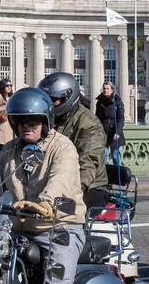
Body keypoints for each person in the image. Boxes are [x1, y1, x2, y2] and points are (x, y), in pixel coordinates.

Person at [0, 86, 86, 284]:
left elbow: (61, 178)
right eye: (21, 121)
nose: (27, 127)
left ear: (46, 121)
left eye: (33, 121)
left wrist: (46, 202)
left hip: (60, 226)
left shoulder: (63, 148)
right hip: (21, 227)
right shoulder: (9, 150)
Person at [39, 71, 108, 205]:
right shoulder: (46, 120)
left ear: (68, 97)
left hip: (89, 187)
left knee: (60, 216)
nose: (49, 104)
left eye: (53, 99)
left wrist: (64, 192)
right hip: (50, 182)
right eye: (46, 99)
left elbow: (87, 164)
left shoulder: (89, 124)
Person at [94, 82, 124, 168]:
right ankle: (106, 177)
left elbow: (121, 118)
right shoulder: (100, 101)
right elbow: (97, 118)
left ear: (111, 90)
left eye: (107, 88)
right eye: (104, 88)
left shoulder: (117, 101)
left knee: (115, 156)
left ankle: (119, 177)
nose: (105, 90)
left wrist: (117, 132)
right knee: (104, 156)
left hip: (114, 131)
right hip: (103, 132)